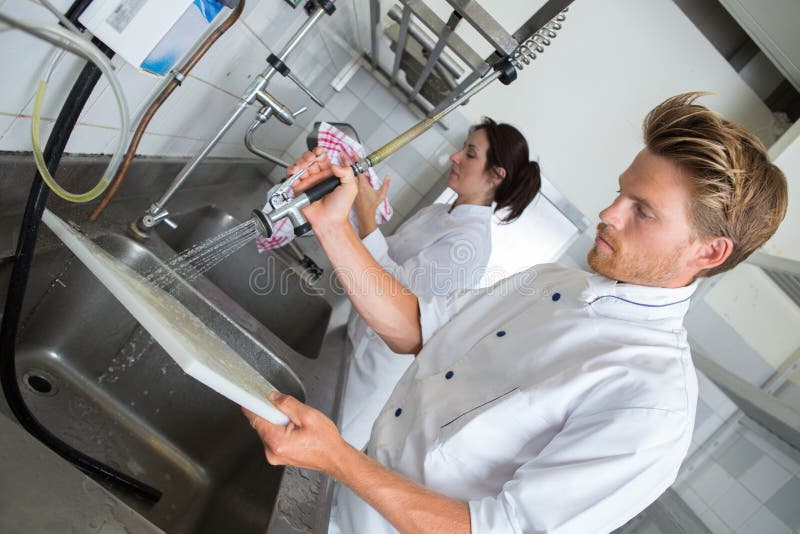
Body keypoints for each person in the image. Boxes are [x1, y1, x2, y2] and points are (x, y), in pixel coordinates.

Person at [242, 93, 788, 533]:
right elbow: (416, 328)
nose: (608, 213)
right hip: (334, 505)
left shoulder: (653, 403)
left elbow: (501, 529)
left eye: (641, 211)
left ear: (708, 252)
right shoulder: (553, 283)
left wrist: (337, 458)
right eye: (620, 193)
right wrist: (333, 225)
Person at [291, 119, 541, 449]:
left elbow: (396, 293)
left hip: (372, 370)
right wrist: (355, 209)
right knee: (295, 426)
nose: (454, 157)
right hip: (351, 337)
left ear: (496, 176)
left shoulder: (470, 245)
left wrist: (366, 215)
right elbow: (385, 256)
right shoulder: (439, 212)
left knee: (315, 448)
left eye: (469, 153)